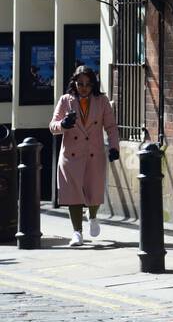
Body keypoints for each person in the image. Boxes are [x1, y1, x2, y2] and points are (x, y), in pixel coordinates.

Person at [49, 66, 121, 248]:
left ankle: (93, 215)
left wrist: (114, 147)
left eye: (88, 84)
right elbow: (52, 126)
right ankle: (77, 232)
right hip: (71, 155)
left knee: (94, 193)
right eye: (80, 83)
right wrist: (63, 124)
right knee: (73, 194)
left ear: (93, 84)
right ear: (74, 83)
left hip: (94, 153)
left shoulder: (102, 101)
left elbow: (111, 127)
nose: (84, 88)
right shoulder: (65, 100)